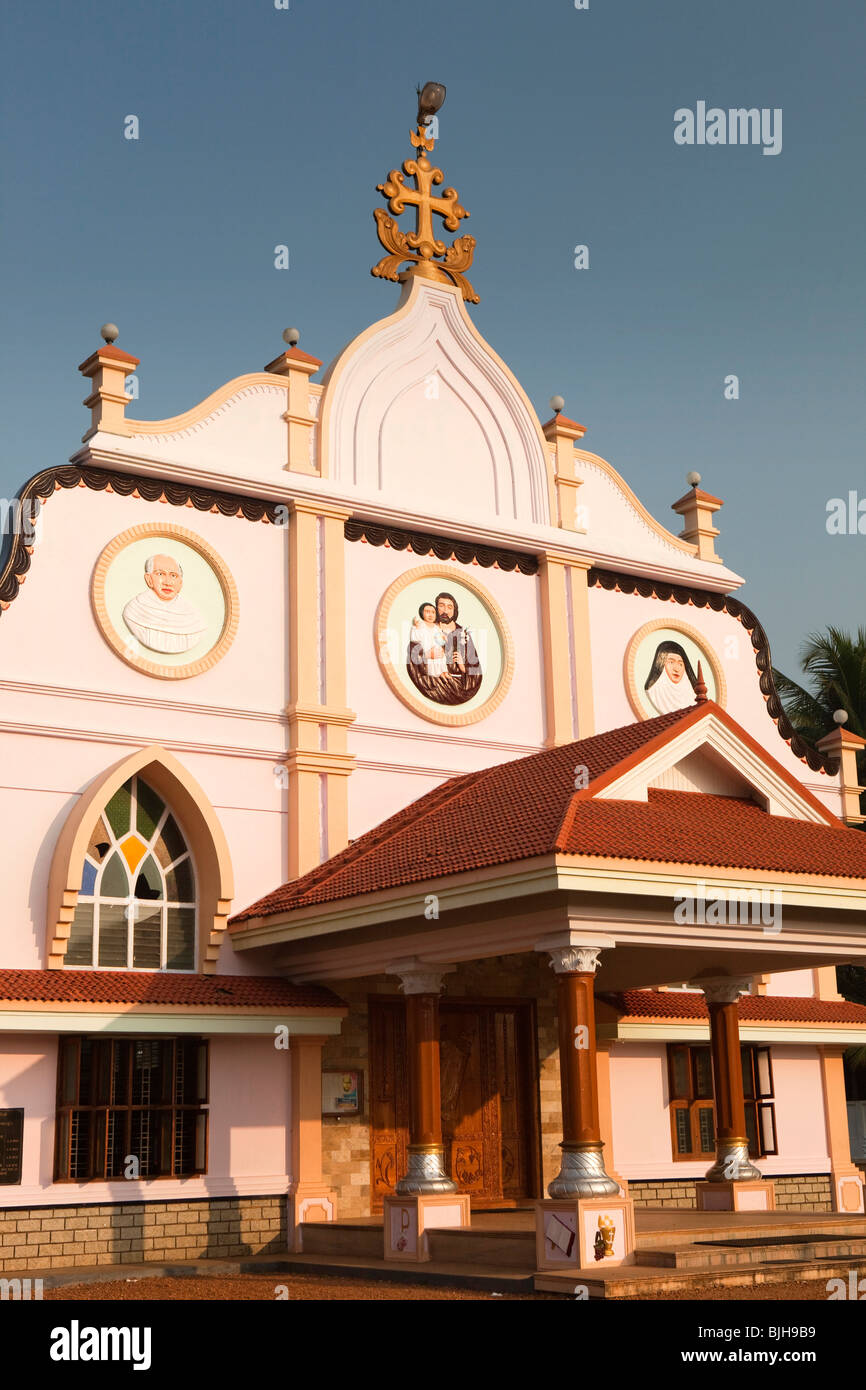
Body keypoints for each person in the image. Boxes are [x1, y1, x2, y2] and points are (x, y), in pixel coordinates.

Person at [405, 590, 483, 707]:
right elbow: (413, 654)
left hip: (459, 685)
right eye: (441, 606)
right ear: (436, 609)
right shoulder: (426, 628)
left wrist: (463, 667)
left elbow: (475, 670)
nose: (445, 610)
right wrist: (427, 654)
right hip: (433, 682)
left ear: (454, 611)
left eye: (449, 607)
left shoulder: (463, 634)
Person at [122, 553, 207, 655]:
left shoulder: (193, 617)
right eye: (160, 574)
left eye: (173, 575)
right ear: (149, 579)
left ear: (180, 583)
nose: (167, 582)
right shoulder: (134, 610)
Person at [644, 640, 699, 713]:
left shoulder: (692, 696)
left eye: (680, 664)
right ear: (662, 664)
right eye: (671, 662)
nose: (676, 669)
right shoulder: (654, 692)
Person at [409, 602, 447, 676]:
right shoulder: (420, 625)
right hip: (427, 650)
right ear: (422, 613)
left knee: (442, 658)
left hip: (437, 649)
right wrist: (415, 627)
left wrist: (443, 638)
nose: (430, 615)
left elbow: (441, 642)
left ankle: (444, 672)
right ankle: (435, 674)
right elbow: (414, 638)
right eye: (427, 612)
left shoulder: (437, 628)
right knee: (431, 662)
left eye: (433, 612)